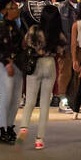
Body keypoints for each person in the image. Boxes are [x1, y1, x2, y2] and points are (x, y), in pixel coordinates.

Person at [0, 0, 28, 144]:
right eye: (12, 8)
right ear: (5, 11)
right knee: (5, 97)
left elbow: (20, 46)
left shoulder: (17, 27)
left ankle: (10, 126)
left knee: (15, 99)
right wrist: (7, 63)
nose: (16, 10)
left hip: (17, 65)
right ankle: (3, 130)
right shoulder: (0, 27)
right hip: (2, 65)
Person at [18, 20, 58, 150]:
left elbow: (24, 44)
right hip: (49, 63)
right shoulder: (54, 32)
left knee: (30, 100)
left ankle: (24, 127)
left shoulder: (33, 29)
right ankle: (39, 139)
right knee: (45, 103)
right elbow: (61, 49)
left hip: (34, 64)